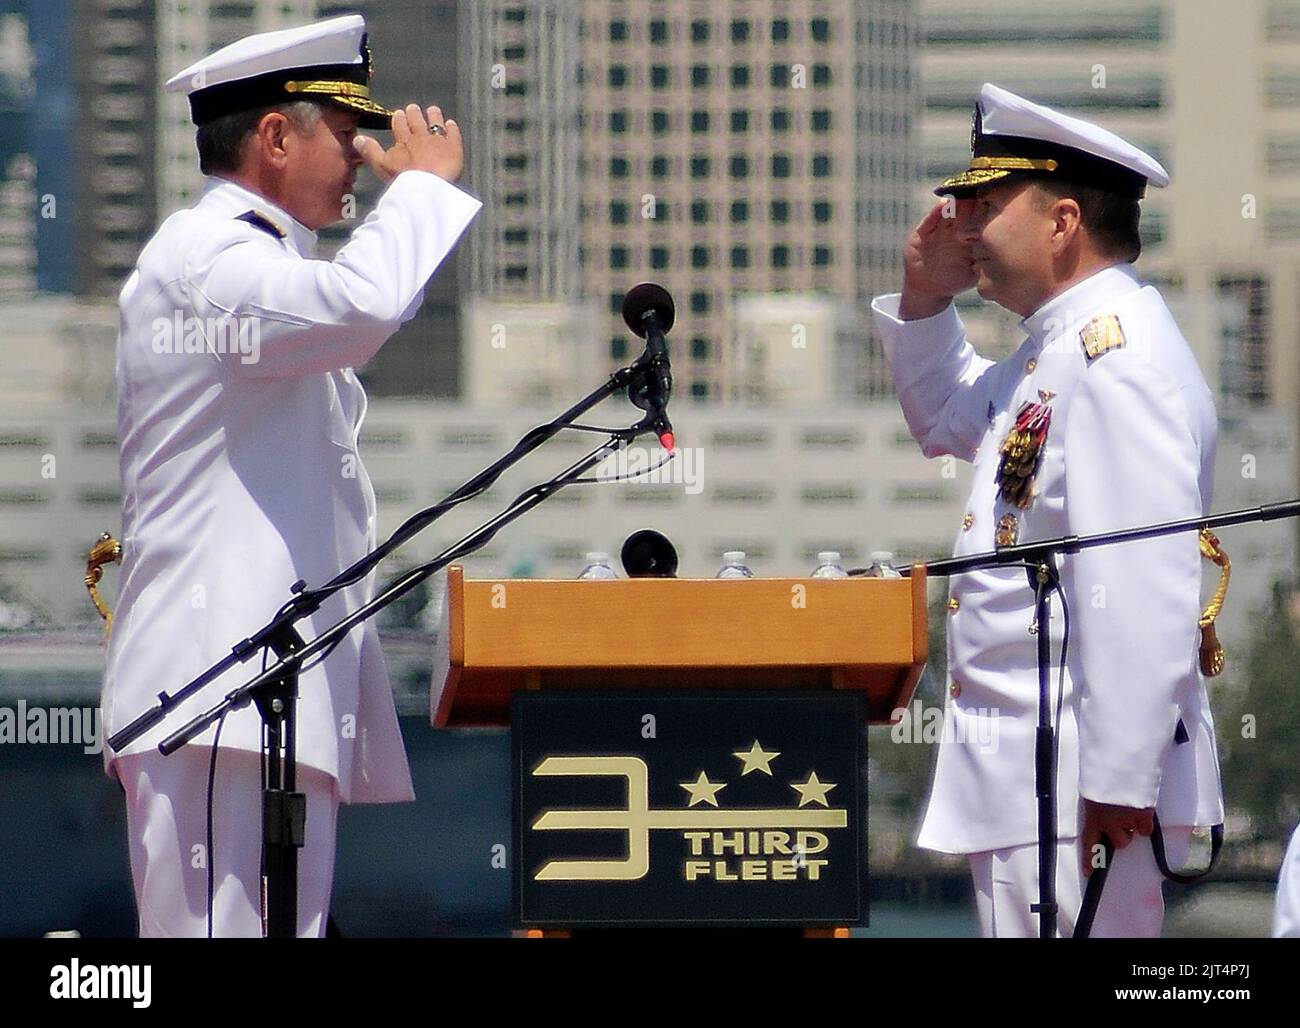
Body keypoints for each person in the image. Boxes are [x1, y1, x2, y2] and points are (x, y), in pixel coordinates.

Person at [101, 14, 481, 937]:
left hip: (263, 694)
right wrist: (424, 193)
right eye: (347, 134)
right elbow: (362, 306)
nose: (364, 156)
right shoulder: (208, 259)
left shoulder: (258, 260)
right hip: (213, 695)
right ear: (277, 137)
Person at [872, 84, 1223, 937]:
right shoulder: (1058, 350)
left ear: (1063, 222)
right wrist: (924, 298)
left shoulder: (1115, 360)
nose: (961, 227)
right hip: (1035, 782)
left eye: (985, 207)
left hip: (1076, 785)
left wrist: (1117, 782)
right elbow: (946, 418)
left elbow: (1139, 580)